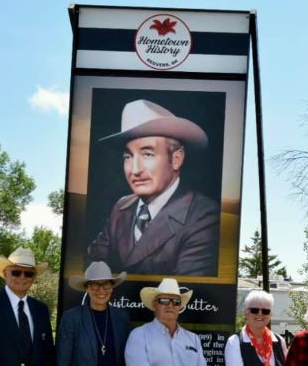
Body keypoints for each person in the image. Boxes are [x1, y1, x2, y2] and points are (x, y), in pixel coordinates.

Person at [87, 99, 220, 276]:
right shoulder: (122, 207)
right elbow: (93, 263)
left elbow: (188, 285)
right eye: (128, 157)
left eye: (147, 154)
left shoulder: (204, 215)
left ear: (176, 159)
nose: (135, 170)